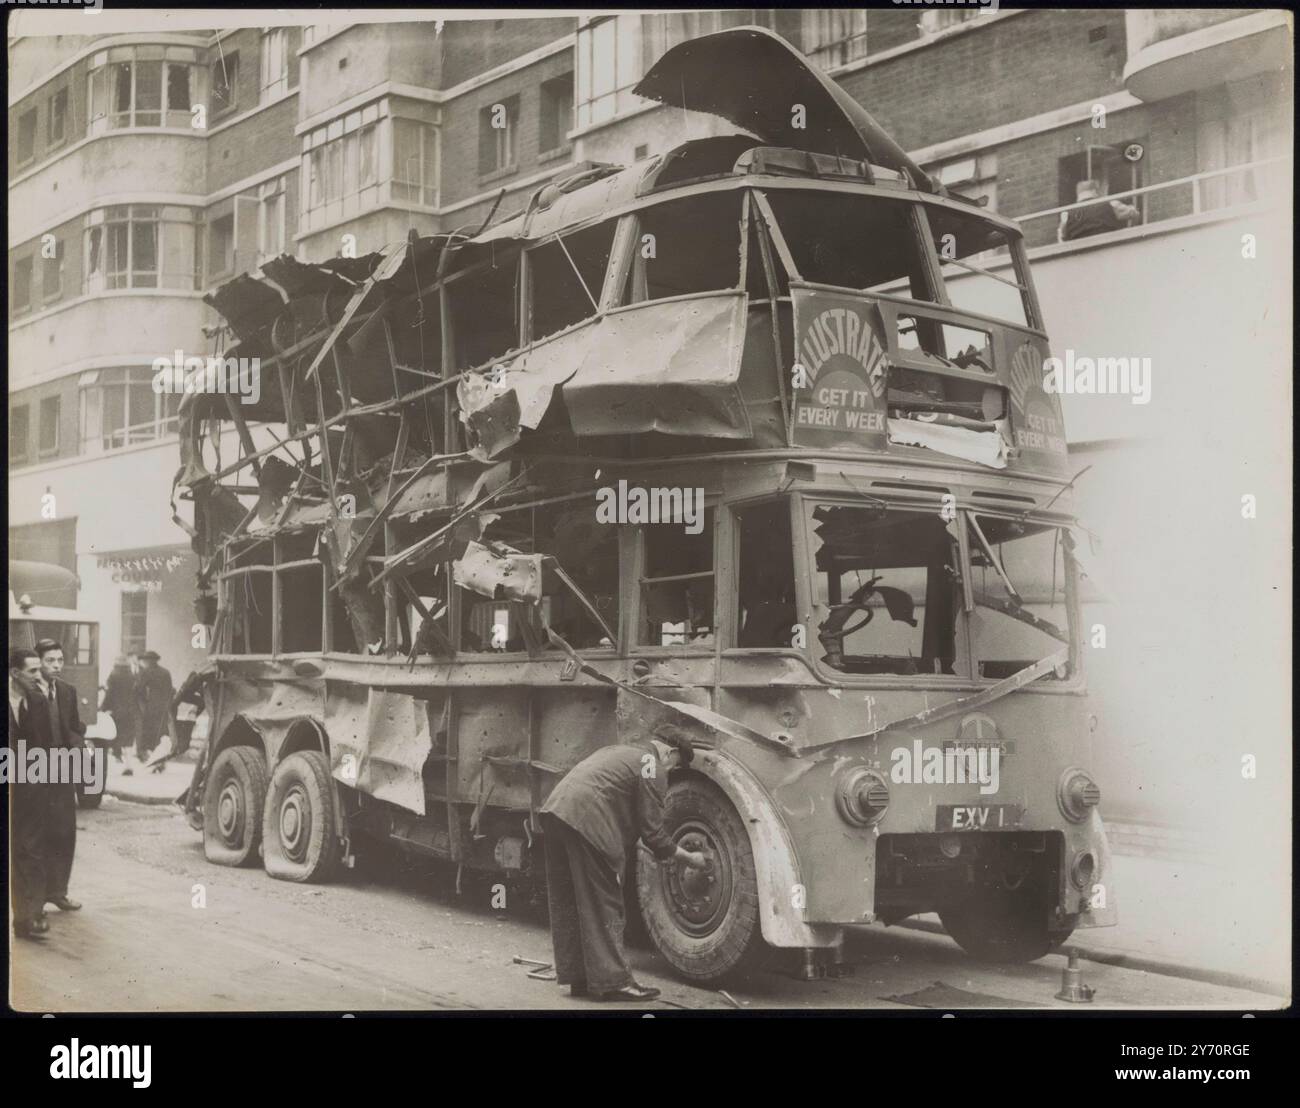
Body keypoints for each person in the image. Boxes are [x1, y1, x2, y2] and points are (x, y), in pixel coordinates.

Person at [539, 727, 707, 1002]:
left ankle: (579, 978)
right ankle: (613, 982)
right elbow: (653, 833)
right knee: (604, 903)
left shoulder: (622, 751)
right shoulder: (652, 764)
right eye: (675, 765)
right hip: (588, 821)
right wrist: (689, 858)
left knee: (568, 900)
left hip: (557, 811)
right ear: (670, 752)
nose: (671, 772)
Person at [34, 639, 84, 914]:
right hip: (34, 769)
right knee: (37, 832)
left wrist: (78, 746)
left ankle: (58, 892)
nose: (56, 666)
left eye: (59, 660)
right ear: (38, 662)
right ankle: (36, 895)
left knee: (64, 831)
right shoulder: (29, 692)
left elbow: (75, 727)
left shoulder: (67, 691)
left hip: (62, 769)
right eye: (50, 661)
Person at [9, 649, 52, 941]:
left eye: (40, 670)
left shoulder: (38, 701)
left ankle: (30, 916)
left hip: (30, 788)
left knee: (32, 850)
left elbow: (45, 746)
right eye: (32, 671)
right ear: (15, 673)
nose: (39, 676)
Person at [1059, 178, 1140, 242]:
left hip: (1081, 256)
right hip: (1107, 248)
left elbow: (1062, 237)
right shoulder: (1109, 203)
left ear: (1078, 194)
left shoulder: (1066, 214)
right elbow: (1134, 213)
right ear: (1094, 191)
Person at [100, 655, 140, 771]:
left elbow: (110, 694)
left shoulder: (113, 675)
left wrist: (103, 708)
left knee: (113, 737)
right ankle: (129, 766)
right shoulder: (132, 676)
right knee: (128, 740)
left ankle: (108, 764)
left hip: (116, 713)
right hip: (130, 712)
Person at [136, 650, 174, 763]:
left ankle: (150, 756)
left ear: (149, 661)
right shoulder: (165, 672)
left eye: (146, 660)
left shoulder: (146, 672)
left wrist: (143, 702)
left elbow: (139, 689)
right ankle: (160, 758)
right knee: (161, 732)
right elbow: (170, 690)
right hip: (164, 707)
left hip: (151, 706)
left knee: (149, 732)